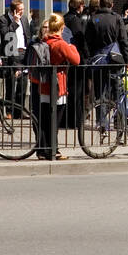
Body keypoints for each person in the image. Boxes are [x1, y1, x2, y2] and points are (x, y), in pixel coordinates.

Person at [36, 12, 80, 160]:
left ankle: (42, 150)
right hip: (58, 86)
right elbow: (76, 60)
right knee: (54, 121)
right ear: (61, 27)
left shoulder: (44, 41)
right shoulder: (60, 43)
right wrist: (72, 46)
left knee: (45, 120)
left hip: (44, 85)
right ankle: (53, 151)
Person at [0, 0, 30, 108]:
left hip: (23, 53)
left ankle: (19, 110)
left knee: (23, 84)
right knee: (10, 84)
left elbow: (27, 36)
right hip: (11, 54)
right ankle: (9, 110)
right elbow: (6, 35)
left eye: (23, 9)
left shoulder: (24, 19)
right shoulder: (2, 20)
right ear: (13, 11)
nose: (22, 11)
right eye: (20, 9)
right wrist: (15, 23)